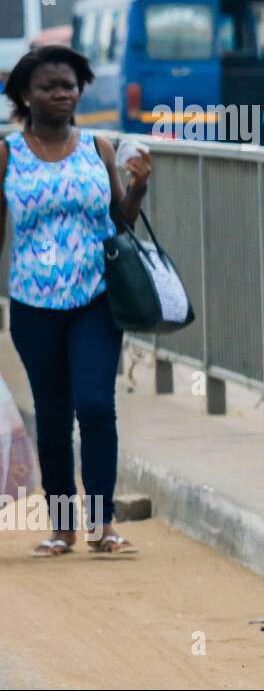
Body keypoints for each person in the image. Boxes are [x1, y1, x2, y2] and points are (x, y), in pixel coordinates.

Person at [1, 45, 151, 557]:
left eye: (69, 85)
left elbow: (120, 224)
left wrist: (138, 189)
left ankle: (103, 523)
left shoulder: (99, 149)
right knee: (53, 412)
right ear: (26, 95)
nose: (62, 94)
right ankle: (63, 527)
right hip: (33, 303)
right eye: (49, 87)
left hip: (96, 298)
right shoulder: (6, 154)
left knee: (95, 405)